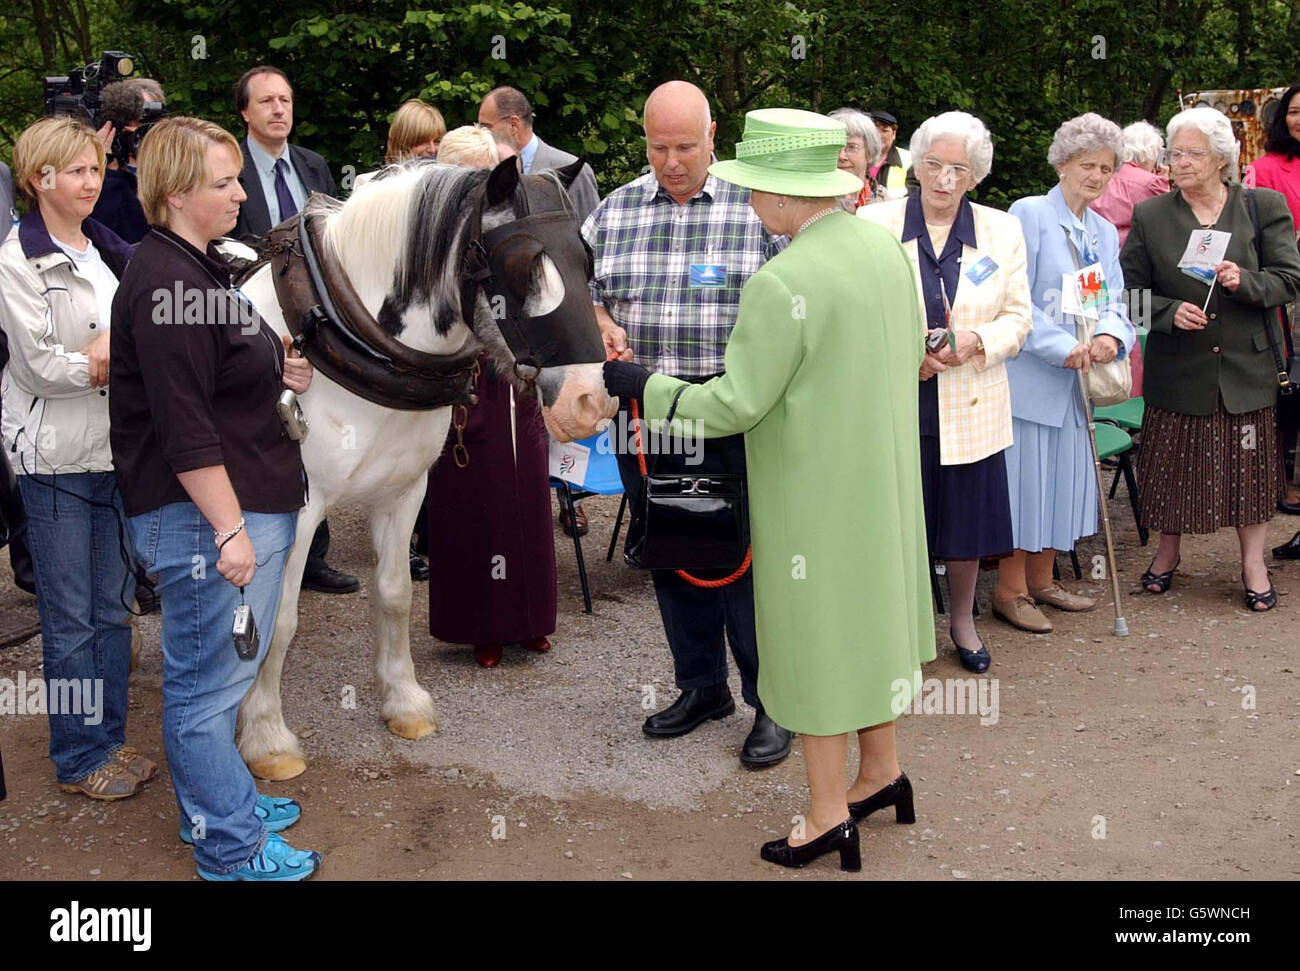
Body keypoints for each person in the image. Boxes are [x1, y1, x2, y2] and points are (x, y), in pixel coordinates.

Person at [602, 107, 933, 871]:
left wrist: (645, 386)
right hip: (877, 482)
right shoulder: (884, 249)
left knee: (817, 641)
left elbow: (735, 403)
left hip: (812, 490)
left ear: (785, 196)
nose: (747, 201)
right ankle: (880, 771)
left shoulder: (784, 277)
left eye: (753, 187)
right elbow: (909, 351)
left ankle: (825, 815)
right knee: (867, 625)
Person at [111, 116, 322, 879]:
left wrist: (280, 373)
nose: (241, 193)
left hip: (232, 509)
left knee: (225, 673)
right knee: (206, 689)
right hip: (204, 521)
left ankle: (218, 799)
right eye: (224, 182)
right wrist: (231, 531)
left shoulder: (192, 266)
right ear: (175, 192)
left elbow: (223, 375)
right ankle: (228, 845)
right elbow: (184, 428)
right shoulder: (167, 281)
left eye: (239, 178)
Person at [584, 80, 792, 767]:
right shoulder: (612, 212)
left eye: (685, 146)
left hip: (735, 413)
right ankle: (702, 687)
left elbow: (797, 309)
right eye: (657, 146)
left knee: (744, 564)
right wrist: (604, 322)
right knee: (673, 551)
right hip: (647, 417)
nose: (671, 161)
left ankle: (774, 702)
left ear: (713, 137)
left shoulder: (755, 209)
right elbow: (580, 299)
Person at [0, 116, 146, 799]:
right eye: (78, 171)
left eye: (97, 169)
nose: (92, 182)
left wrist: (110, 357)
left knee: (114, 608)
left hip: (114, 452)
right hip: (54, 462)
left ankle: (110, 739)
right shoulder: (15, 261)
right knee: (71, 617)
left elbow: (139, 340)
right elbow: (37, 370)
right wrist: (113, 360)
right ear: (39, 179)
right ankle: (79, 755)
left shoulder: (111, 250)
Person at [861, 111, 1032, 671]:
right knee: (898, 518)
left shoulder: (1001, 229)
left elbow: (1019, 318)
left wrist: (975, 341)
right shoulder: (875, 222)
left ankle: (961, 622)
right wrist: (906, 357)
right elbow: (860, 312)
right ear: (916, 165)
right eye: (932, 165)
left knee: (965, 521)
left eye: (958, 169)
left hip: (972, 398)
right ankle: (900, 631)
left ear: (974, 175)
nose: (943, 179)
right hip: (900, 397)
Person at [1121, 107, 1300, 610]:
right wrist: (1165, 312)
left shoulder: (1261, 206)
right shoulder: (1152, 215)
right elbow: (1126, 295)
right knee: (1172, 467)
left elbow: (1289, 279)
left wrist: (1247, 282)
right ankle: (1167, 554)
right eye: (1173, 152)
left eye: (1191, 153)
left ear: (1222, 158)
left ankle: (1252, 563)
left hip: (1247, 369)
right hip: (1179, 369)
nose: (1178, 162)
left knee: (1250, 472)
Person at [416, 126, 557, 668]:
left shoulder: (509, 226)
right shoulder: (433, 241)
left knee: (526, 495)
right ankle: (480, 626)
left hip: (515, 369)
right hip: (464, 376)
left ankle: (531, 618)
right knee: (475, 504)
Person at [993, 114, 1135, 633]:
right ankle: (1008, 591)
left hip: (1079, 387)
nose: (1096, 176)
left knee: (1062, 485)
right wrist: (1063, 346)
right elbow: (1013, 298)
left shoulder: (1099, 230)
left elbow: (1113, 299)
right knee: (1026, 487)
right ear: (1061, 164)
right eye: (1086, 165)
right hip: (1032, 381)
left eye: (1106, 168)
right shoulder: (1029, 213)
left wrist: (1109, 337)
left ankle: (1043, 581)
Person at [230, 65, 357, 595]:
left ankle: (313, 557)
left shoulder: (313, 166)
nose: (278, 109)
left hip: (312, 316)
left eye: (284, 99)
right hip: (249, 316)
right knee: (258, 423)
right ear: (245, 113)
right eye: (266, 101)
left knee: (312, 421)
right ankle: (254, 543)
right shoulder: (228, 167)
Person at [1244, 83, 1300, 515]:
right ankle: (1279, 479)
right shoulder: (1263, 169)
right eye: (1295, 111)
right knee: (1287, 379)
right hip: (1283, 282)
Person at [478, 85, 599, 222]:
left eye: (486, 127)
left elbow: (591, 235)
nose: (480, 134)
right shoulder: (483, 169)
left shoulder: (573, 169)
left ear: (513, 125)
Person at [88, 78, 163, 244]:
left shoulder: (176, 169)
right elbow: (101, 233)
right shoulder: (99, 177)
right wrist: (107, 171)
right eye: (126, 121)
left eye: (143, 121)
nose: (133, 130)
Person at [351, 99, 447, 193]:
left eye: (437, 141)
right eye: (422, 142)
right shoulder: (367, 185)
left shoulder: (448, 186)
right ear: (402, 143)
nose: (432, 149)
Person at [827, 107, 883, 210]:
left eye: (852, 147)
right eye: (835, 148)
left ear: (870, 152)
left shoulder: (885, 204)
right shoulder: (814, 203)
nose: (841, 156)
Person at [869, 110, 912, 199]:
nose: (878, 135)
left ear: (894, 134)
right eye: (874, 130)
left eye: (884, 130)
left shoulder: (909, 160)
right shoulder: (853, 158)